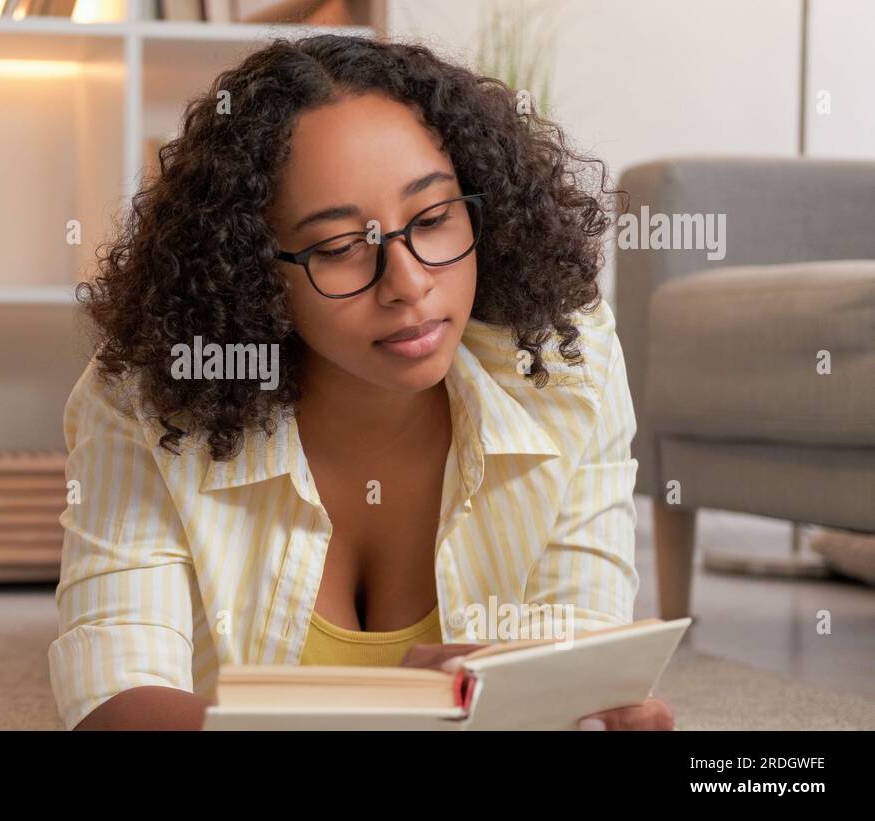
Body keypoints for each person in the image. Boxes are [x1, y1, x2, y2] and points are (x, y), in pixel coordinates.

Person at [48, 33, 674, 732]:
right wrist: (380, 708)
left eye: (434, 219)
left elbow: (579, 645)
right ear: (251, 271)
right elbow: (113, 702)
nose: (408, 284)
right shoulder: (148, 397)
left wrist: (582, 697)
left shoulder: (563, 361)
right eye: (340, 248)